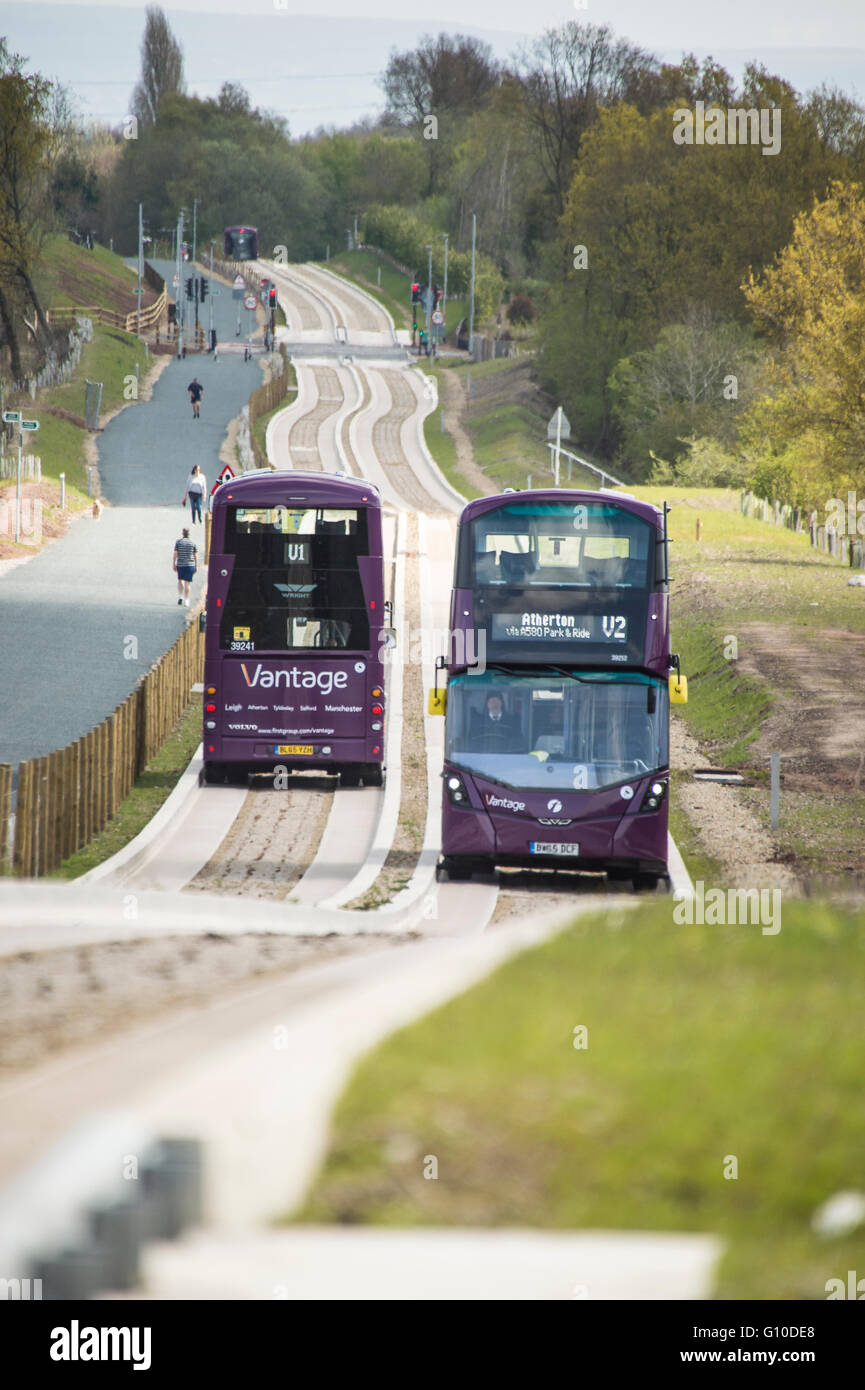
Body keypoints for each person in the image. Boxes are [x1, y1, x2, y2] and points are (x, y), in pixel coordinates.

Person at [173, 527, 197, 606]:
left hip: (181, 564)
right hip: (190, 565)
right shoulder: (192, 543)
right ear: (189, 534)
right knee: (188, 583)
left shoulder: (178, 542)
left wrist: (174, 563)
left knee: (180, 580)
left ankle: (180, 596)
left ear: (182, 533)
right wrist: (196, 565)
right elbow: (195, 555)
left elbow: (175, 553)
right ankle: (187, 600)